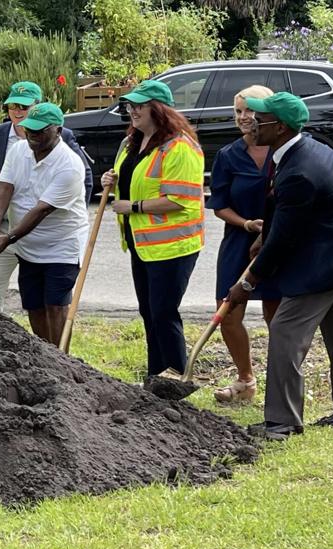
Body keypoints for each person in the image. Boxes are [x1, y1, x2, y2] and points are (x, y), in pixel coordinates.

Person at [221, 93, 333, 440]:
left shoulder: (300, 170)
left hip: (324, 263)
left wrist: (247, 285)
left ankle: (282, 422)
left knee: (286, 333)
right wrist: (264, 236)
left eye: (260, 118)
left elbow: (285, 241)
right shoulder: (303, 149)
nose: (252, 123)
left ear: (281, 126)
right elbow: (280, 208)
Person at [96, 79, 205, 380]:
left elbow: (179, 199)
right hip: (141, 242)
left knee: (164, 312)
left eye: (139, 106)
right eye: (131, 105)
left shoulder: (179, 147)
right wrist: (113, 179)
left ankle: (176, 378)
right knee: (149, 311)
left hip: (172, 246)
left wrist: (134, 207)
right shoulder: (133, 141)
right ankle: (156, 375)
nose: (133, 111)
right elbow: (131, 175)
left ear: (159, 110)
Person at [0, 102, 88, 346]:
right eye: (29, 129)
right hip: (28, 246)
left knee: (55, 304)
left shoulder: (69, 165)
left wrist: (9, 238)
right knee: (33, 304)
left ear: (58, 130)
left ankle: (60, 358)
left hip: (61, 247)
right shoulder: (18, 151)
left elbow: (42, 209)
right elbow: (5, 188)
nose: (32, 135)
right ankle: (43, 353)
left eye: (40, 131)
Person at [202, 84, 282, 403]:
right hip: (238, 243)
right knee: (229, 311)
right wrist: (247, 224)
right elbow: (219, 204)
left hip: (278, 243)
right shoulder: (228, 155)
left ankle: (281, 380)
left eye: (249, 110)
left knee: (275, 314)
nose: (244, 117)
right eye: (238, 111)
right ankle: (246, 381)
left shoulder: (283, 149)